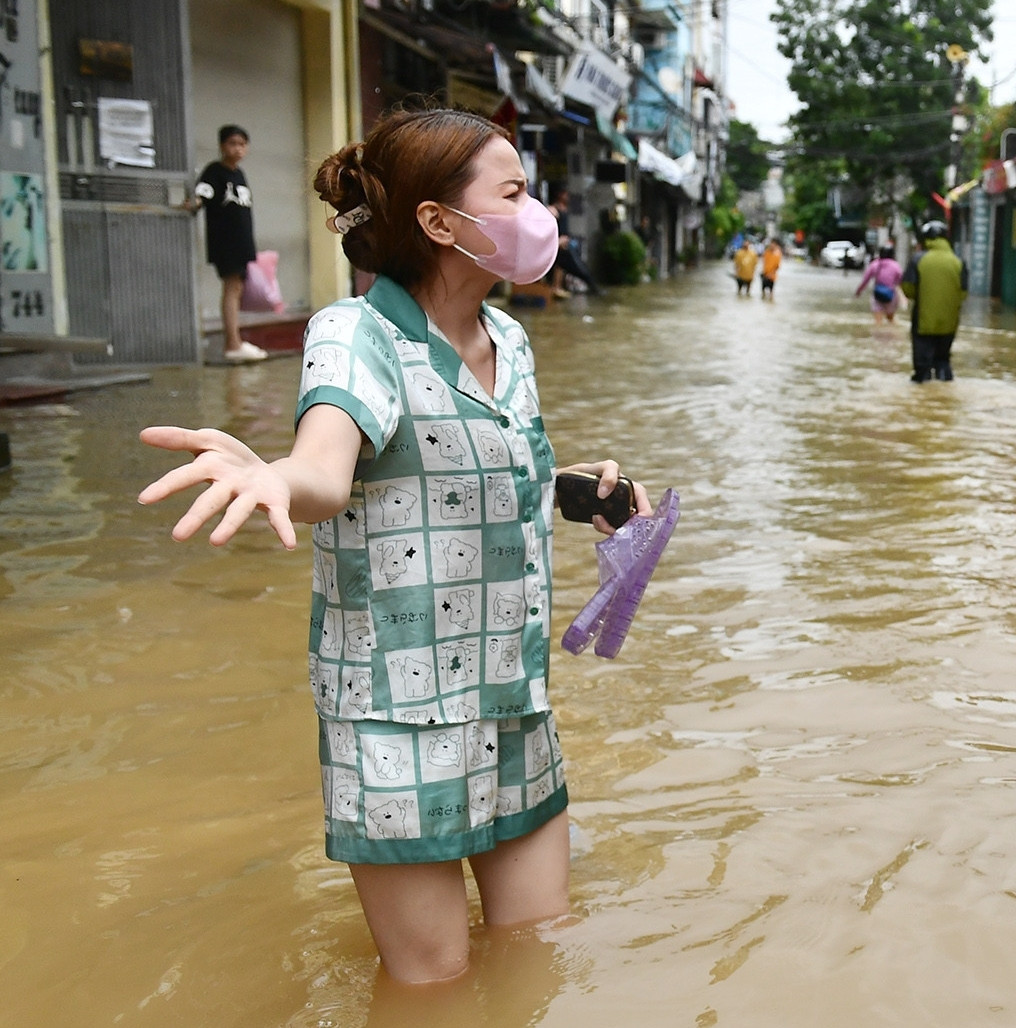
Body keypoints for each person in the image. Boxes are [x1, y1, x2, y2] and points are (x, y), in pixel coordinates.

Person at [136, 107, 646, 986]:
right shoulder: (354, 335)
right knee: (432, 989)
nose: (538, 213)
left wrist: (588, 498)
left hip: (513, 700)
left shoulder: (510, 340)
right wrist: (273, 478)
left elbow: (490, 469)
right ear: (440, 222)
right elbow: (327, 470)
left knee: (536, 959)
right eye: (516, 192)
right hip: (398, 720)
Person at [185, 124, 268, 363]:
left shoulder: (239, 174)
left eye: (242, 144)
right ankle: (232, 344)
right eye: (233, 143)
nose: (238, 149)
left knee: (237, 289)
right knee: (231, 290)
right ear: (222, 146)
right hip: (226, 243)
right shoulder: (215, 171)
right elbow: (204, 193)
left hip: (242, 243)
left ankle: (236, 341)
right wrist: (195, 202)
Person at [900, 220, 967, 382]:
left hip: (923, 322)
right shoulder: (958, 262)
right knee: (943, 361)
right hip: (949, 324)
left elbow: (908, 289)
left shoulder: (918, 259)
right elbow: (963, 293)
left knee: (922, 369)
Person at [545, 186, 597, 296]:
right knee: (566, 265)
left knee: (561, 266)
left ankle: (557, 287)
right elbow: (546, 229)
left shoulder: (565, 209)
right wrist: (557, 241)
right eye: (565, 194)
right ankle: (556, 287)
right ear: (560, 195)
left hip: (565, 243)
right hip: (557, 243)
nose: (568, 196)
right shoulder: (553, 209)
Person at [854, 244, 903, 324]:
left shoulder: (874, 264)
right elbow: (900, 281)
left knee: (878, 321)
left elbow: (865, 280)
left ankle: (878, 335)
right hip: (891, 295)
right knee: (891, 319)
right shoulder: (896, 266)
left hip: (878, 295)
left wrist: (858, 291)